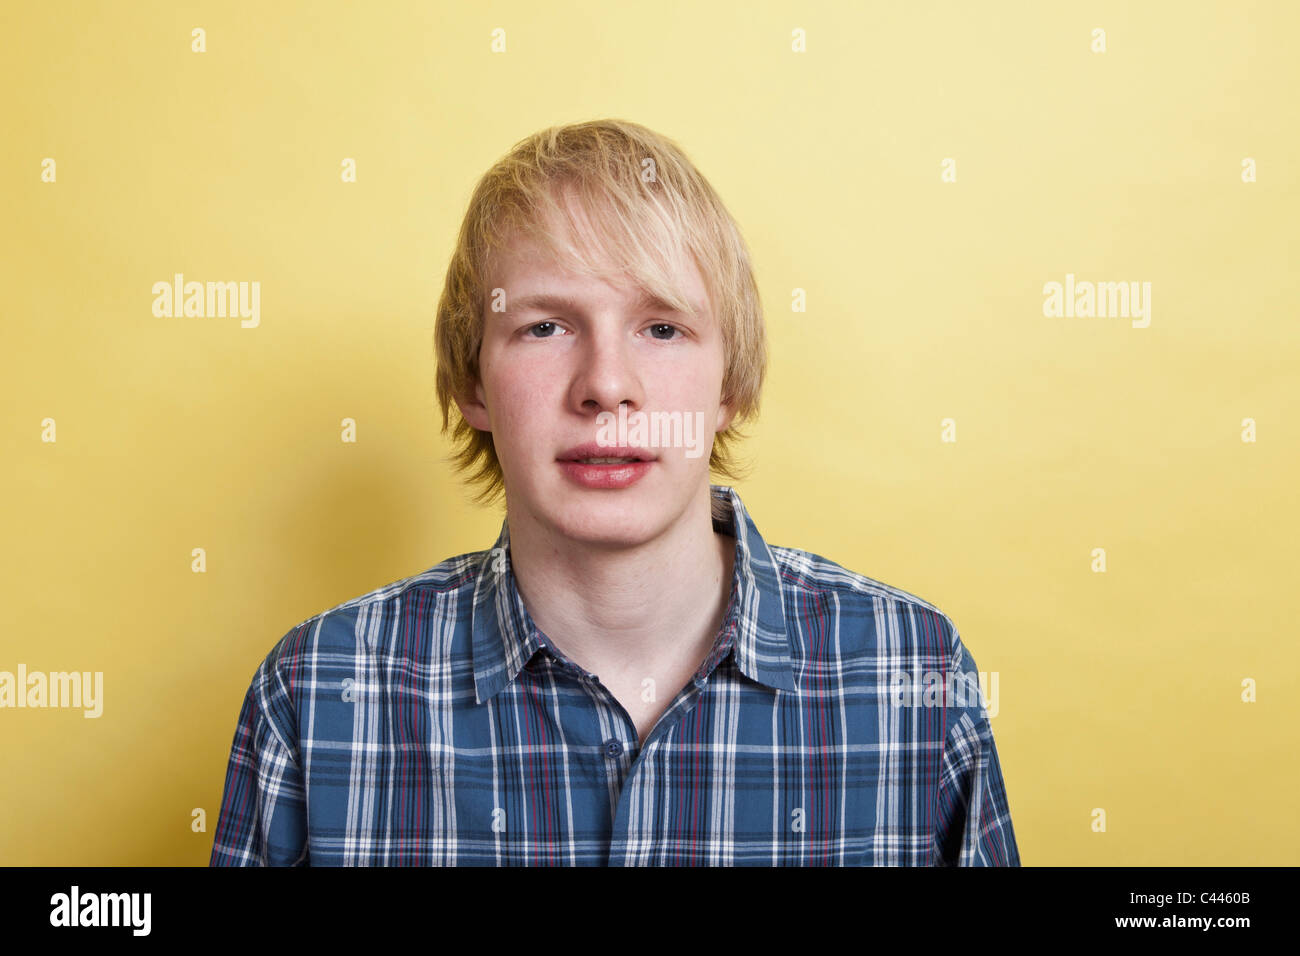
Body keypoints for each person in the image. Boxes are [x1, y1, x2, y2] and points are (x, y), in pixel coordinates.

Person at [209, 118, 1020, 866]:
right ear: (473, 386)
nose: (605, 386)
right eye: (545, 327)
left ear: (729, 385)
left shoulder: (915, 677)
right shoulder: (313, 695)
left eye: (662, 328)